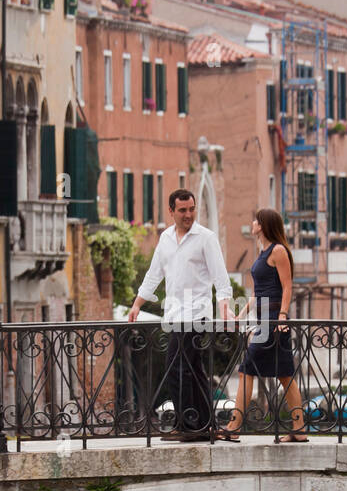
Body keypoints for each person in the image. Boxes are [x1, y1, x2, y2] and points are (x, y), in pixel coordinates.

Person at [128, 189, 233, 440]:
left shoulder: (206, 238)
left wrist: (224, 307)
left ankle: (188, 425)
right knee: (194, 370)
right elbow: (154, 275)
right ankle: (206, 424)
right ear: (171, 211)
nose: (188, 215)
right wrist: (137, 305)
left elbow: (221, 277)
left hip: (196, 314)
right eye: (183, 210)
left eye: (192, 209)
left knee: (176, 368)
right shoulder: (165, 239)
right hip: (174, 314)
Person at [220, 208, 308, 442]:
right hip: (264, 320)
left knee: (247, 367)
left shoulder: (278, 251)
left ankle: (235, 425)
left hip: (273, 322)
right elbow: (257, 293)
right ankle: (299, 430)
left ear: (264, 224)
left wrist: (282, 315)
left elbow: (287, 286)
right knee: (285, 375)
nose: (252, 223)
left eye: (256, 220)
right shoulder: (263, 252)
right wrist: (241, 316)